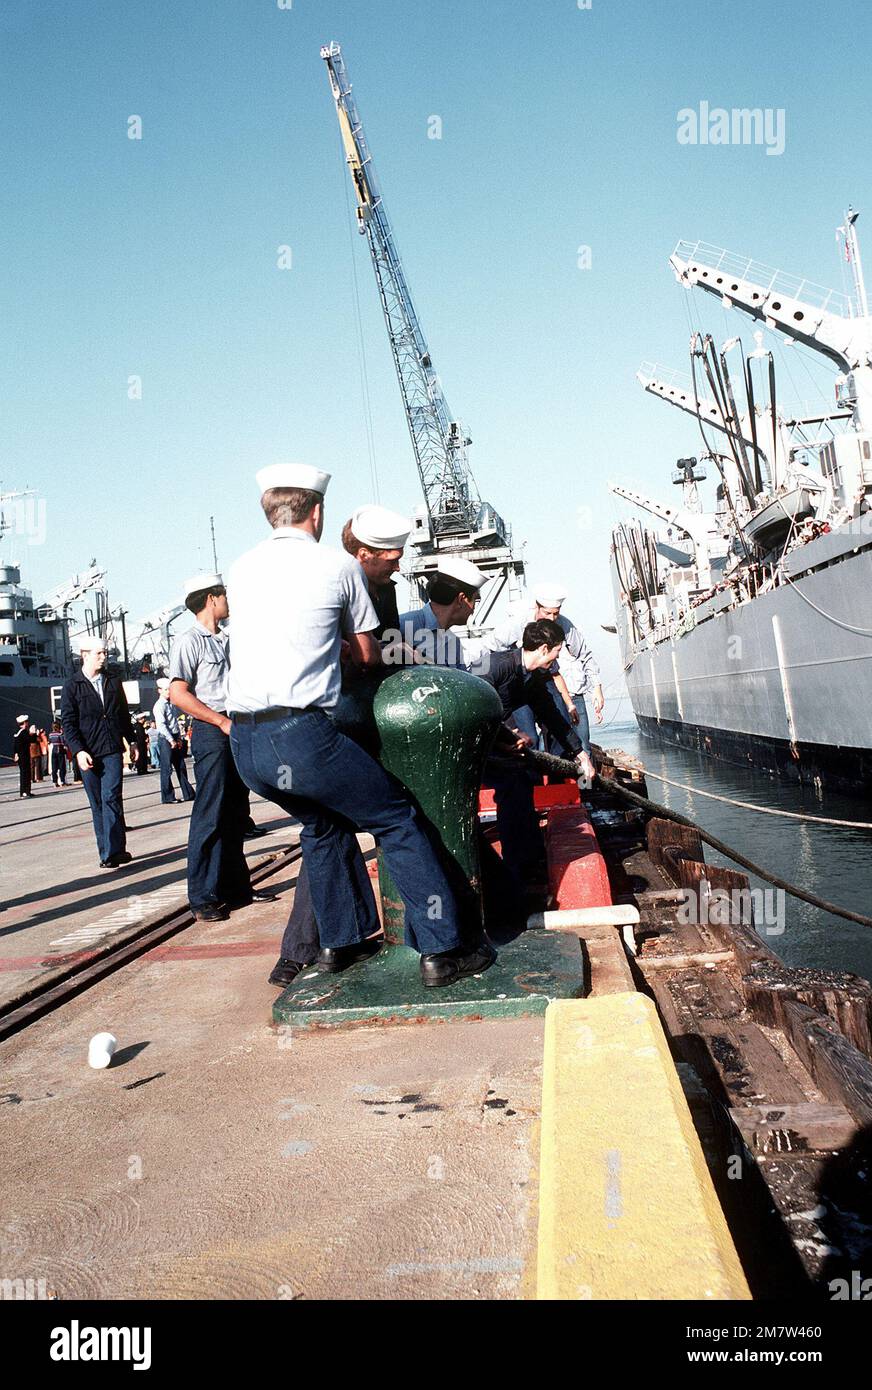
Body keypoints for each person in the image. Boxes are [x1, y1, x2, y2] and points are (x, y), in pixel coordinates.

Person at [227, 462, 495, 989]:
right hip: (302, 734)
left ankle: (338, 945)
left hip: (246, 743)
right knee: (397, 821)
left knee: (321, 827)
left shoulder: (241, 568)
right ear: (318, 511)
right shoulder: (337, 567)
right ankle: (444, 951)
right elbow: (370, 654)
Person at [270, 503, 415, 985]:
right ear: (364, 552)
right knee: (333, 828)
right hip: (328, 718)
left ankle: (340, 940)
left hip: (370, 713)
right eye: (393, 554)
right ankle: (306, 948)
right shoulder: (329, 580)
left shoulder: (385, 591)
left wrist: (403, 655)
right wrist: (365, 654)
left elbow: (385, 646)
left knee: (337, 829)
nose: (399, 561)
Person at [168, 572, 277, 923]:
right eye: (224, 595)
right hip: (212, 730)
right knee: (210, 814)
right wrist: (219, 722)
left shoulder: (228, 639)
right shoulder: (189, 641)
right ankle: (202, 897)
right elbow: (178, 693)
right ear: (211, 598)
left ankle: (236, 888)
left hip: (237, 727)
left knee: (235, 812)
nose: (229, 600)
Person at [466, 619, 594, 899]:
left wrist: (580, 752)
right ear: (545, 648)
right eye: (556, 653)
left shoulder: (530, 678)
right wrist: (506, 735)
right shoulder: (495, 665)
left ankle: (527, 860)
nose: (557, 659)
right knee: (512, 786)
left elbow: (551, 716)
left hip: (495, 741)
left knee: (523, 780)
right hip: (469, 743)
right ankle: (511, 869)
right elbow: (471, 705)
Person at [481, 581, 604, 749]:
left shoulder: (565, 626)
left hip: (545, 680)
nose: (552, 619)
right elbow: (489, 646)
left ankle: (559, 769)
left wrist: (596, 687)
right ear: (536, 607)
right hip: (519, 681)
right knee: (528, 737)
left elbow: (584, 654)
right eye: (547, 613)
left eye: (556, 614)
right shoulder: (517, 623)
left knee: (559, 725)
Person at [60, 636, 137, 867]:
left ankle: (113, 851)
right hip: (88, 752)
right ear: (85, 655)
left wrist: (132, 742)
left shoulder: (113, 681)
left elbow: (123, 715)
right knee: (98, 803)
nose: (104, 657)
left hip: (112, 748)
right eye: (99, 654)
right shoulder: (72, 686)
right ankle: (108, 852)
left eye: (105, 653)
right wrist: (78, 751)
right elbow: (68, 723)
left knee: (111, 797)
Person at [397, 556, 486, 669]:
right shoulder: (401, 627)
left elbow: (460, 684)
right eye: (475, 600)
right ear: (461, 599)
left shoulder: (454, 644)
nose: (473, 609)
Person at [153, 678, 195, 804]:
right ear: (159, 691)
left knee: (181, 766)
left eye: (169, 690)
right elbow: (161, 725)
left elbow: (175, 722)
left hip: (174, 736)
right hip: (166, 738)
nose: (168, 692)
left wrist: (179, 738)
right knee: (167, 769)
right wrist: (171, 740)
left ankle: (188, 793)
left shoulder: (172, 704)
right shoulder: (159, 706)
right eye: (166, 690)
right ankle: (168, 796)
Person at [13, 714, 34, 798]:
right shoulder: (24, 732)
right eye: (27, 722)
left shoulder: (18, 732)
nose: (28, 723)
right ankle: (25, 792)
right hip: (24, 756)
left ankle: (26, 791)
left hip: (21, 756)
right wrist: (35, 734)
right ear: (24, 723)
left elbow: (15, 746)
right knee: (25, 774)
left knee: (24, 773)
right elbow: (31, 740)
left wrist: (15, 753)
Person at [48, 721, 67, 787]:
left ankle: (54, 781)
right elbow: (63, 742)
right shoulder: (60, 734)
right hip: (60, 750)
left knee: (54, 767)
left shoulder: (50, 734)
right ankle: (62, 781)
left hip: (54, 750)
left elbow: (50, 741)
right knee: (62, 766)